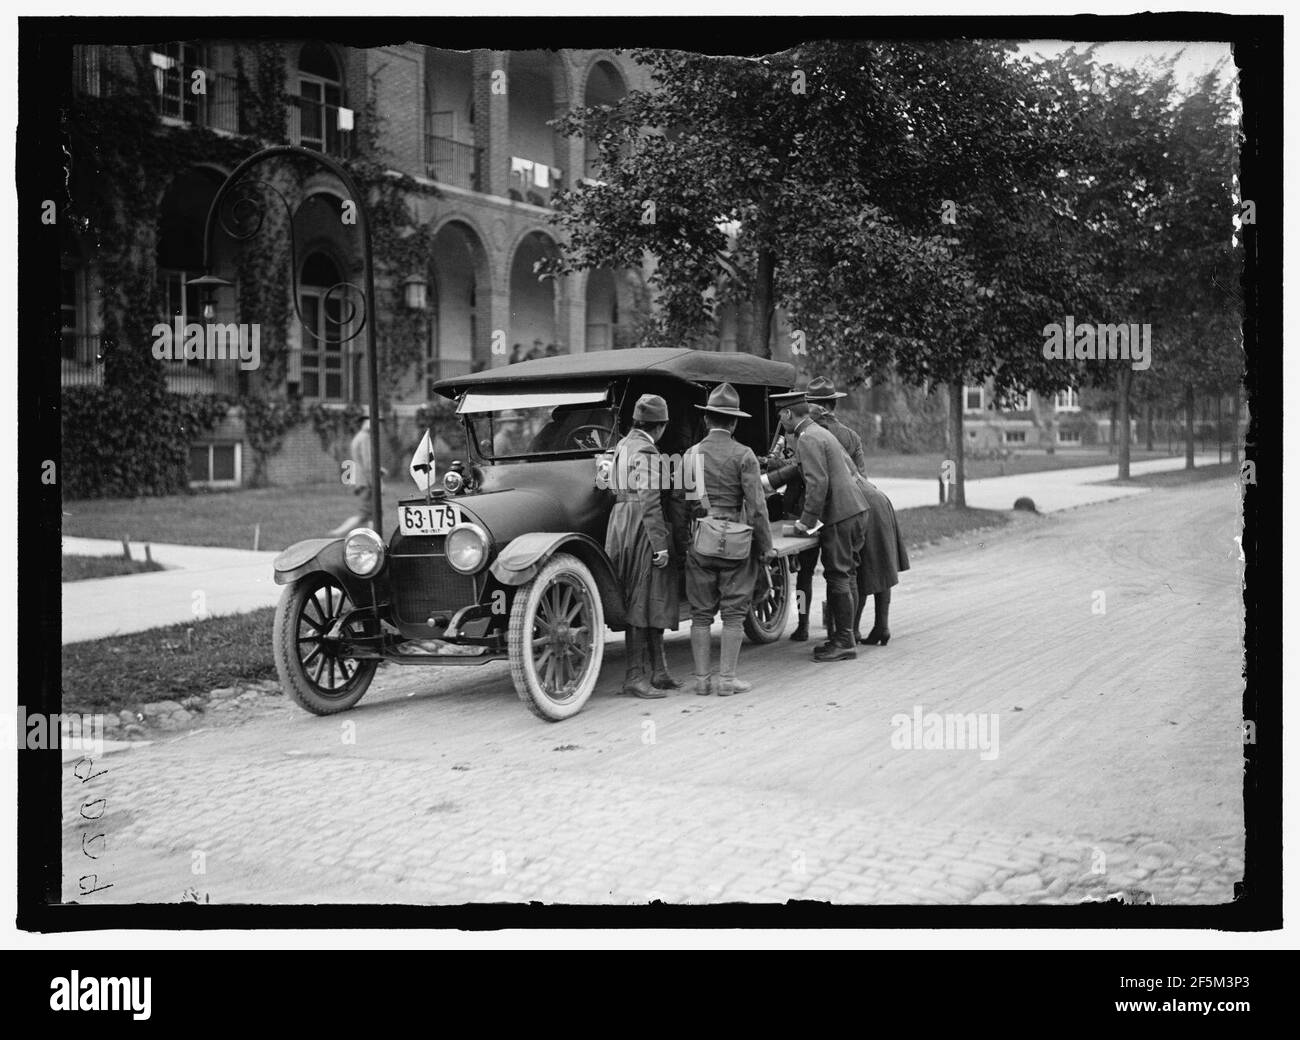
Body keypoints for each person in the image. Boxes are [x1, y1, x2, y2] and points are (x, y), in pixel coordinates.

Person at [684, 383, 775, 696]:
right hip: (736, 543)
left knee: (700, 614)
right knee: (734, 613)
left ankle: (700, 680)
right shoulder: (745, 455)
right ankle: (726, 680)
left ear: (708, 420)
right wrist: (765, 548)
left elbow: (681, 502)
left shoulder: (690, 455)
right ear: (734, 422)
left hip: (700, 539)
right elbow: (758, 507)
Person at [806, 376, 910, 645]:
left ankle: (849, 631)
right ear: (833, 405)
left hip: (852, 505)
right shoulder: (850, 435)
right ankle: (881, 626)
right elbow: (862, 474)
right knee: (881, 564)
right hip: (877, 498)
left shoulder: (812, 435)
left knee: (853, 569)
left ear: (812, 407)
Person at [774, 389, 870, 662]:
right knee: (845, 573)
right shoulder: (820, 432)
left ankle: (844, 642)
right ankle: (843, 637)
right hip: (854, 509)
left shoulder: (808, 437)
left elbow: (818, 482)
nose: (782, 423)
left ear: (789, 413)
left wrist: (805, 522)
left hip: (840, 514)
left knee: (838, 575)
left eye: (782, 416)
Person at [605, 394, 686, 698]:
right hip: (641, 522)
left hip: (620, 522)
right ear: (661, 426)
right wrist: (660, 544)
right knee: (642, 599)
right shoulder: (648, 451)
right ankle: (635, 676)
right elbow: (650, 499)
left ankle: (660, 672)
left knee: (643, 596)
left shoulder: (623, 445)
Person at [331, 414, 380, 536]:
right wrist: (376, 480)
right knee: (368, 513)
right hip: (366, 479)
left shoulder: (358, 437)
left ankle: (373, 535)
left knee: (370, 514)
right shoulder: (365, 438)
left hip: (360, 478)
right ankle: (338, 532)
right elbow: (368, 461)